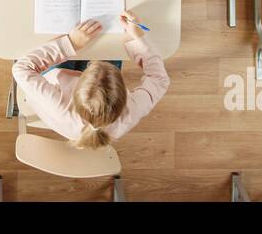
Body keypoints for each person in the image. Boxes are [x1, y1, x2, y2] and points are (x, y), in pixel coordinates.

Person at [11, 11, 169, 149]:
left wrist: (70, 43)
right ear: (124, 96)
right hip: (72, 96)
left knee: (73, 38)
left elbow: (21, 68)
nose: (94, 62)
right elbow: (160, 80)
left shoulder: (59, 105)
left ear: (76, 90)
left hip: (56, 86)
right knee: (109, 47)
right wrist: (136, 40)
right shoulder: (131, 111)